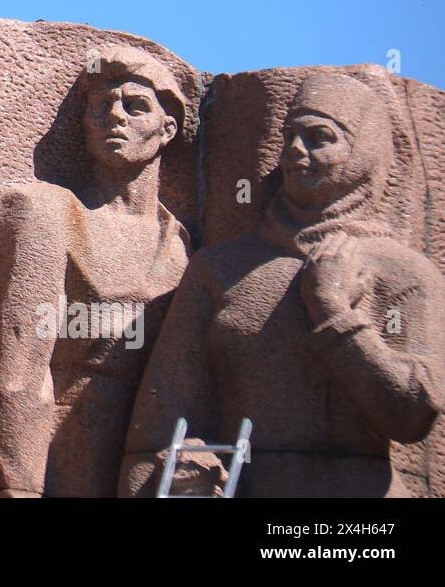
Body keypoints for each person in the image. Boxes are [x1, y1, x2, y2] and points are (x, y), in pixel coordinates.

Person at [120, 73, 445, 497]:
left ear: (364, 149)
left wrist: (334, 314)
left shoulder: (402, 271)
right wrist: (183, 469)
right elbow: (160, 422)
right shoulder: (220, 267)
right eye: (289, 135)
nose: (294, 150)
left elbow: (411, 414)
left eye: (319, 137)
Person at [0, 47, 191, 496]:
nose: (116, 117)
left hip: (145, 463)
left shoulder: (182, 248)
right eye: (101, 106)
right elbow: (17, 365)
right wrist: (14, 486)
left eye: (135, 106)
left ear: (167, 128)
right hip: (56, 453)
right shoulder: (45, 212)